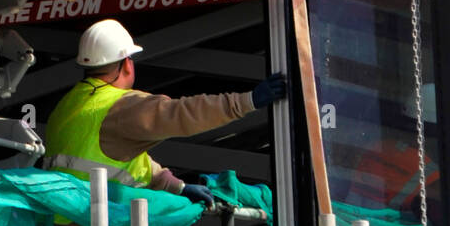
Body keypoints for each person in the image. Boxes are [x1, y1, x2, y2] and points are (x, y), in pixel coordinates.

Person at [42, 19, 286, 199]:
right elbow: (182, 113)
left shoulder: (69, 105)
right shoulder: (119, 107)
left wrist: (176, 186)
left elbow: (121, 159)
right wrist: (248, 101)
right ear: (127, 64)